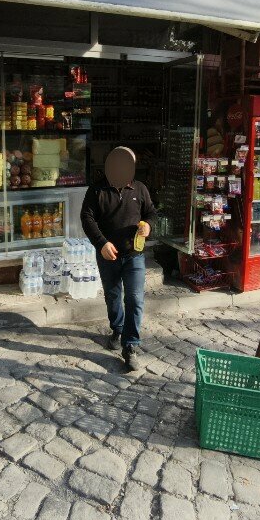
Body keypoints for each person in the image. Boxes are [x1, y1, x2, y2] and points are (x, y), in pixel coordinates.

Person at [80, 147, 156, 371]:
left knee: (134, 298)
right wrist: (101, 243)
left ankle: (130, 345)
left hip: (134, 255)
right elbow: (87, 218)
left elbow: (151, 212)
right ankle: (118, 327)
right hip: (108, 254)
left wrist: (149, 225)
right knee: (113, 296)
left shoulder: (140, 189)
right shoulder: (97, 190)